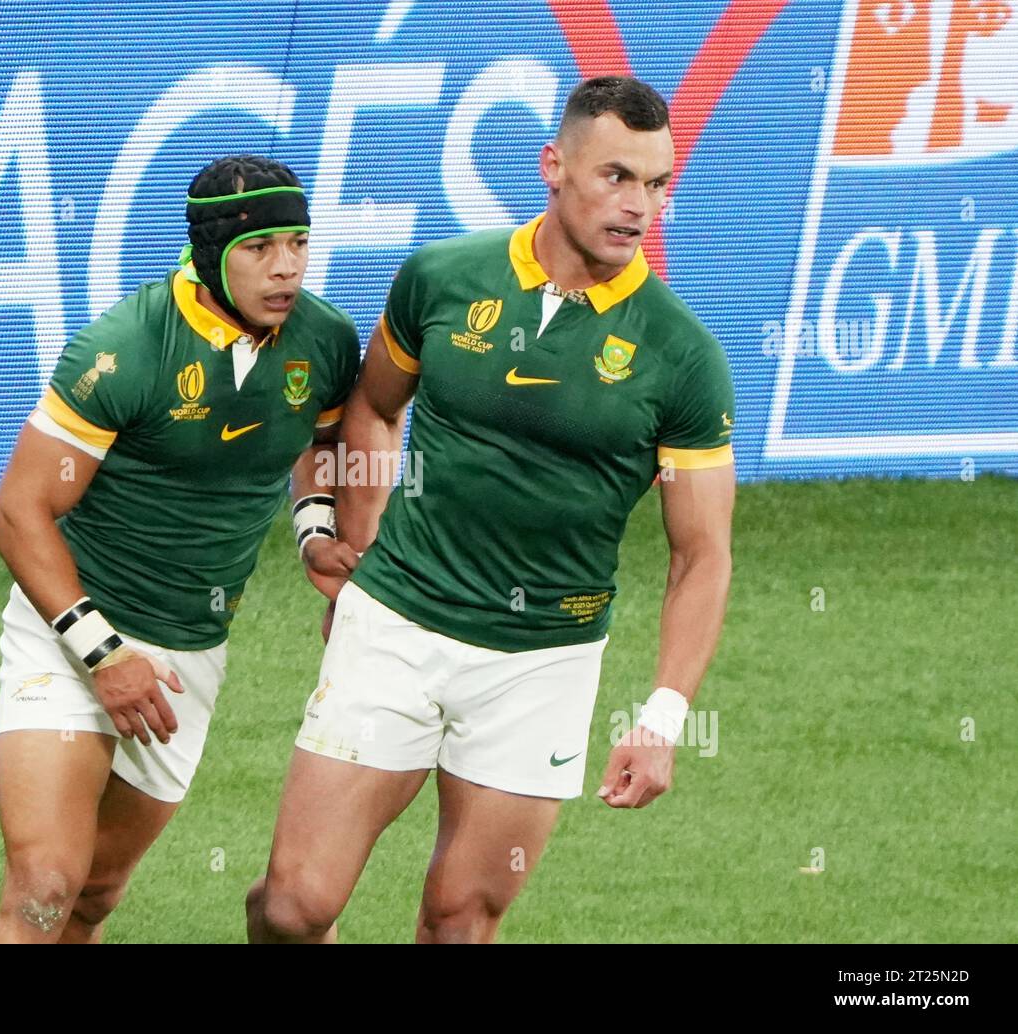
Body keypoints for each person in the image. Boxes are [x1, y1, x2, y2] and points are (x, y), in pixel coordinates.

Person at [246, 76, 737, 944]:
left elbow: (702, 556)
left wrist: (662, 718)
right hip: (398, 620)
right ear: (554, 166)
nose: (638, 207)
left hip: (540, 664)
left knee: (460, 918)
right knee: (290, 909)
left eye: (658, 185)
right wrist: (356, 560)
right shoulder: (444, 276)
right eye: (615, 176)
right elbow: (374, 406)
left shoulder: (683, 356)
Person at [0, 154, 362, 943]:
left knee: (92, 895)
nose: (286, 266)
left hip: (191, 654)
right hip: (72, 632)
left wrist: (316, 529)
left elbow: (321, 438)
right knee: (44, 890)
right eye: (260, 248)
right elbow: (22, 512)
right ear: (211, 252)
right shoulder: (126, 348)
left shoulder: (322, 340)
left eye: (297, 241)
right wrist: (103, 654)